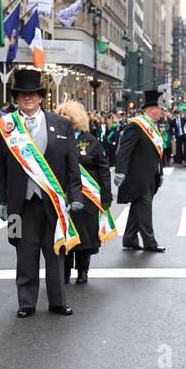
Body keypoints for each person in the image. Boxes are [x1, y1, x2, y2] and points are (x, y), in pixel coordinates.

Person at [0, 68, 83, 317]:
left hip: (53, 202)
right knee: (24, 252)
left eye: (32, 94)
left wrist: (75, 197)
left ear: (41, 97)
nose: (27, 98)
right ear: (16, 99)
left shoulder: (62, 124)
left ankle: (58, 301)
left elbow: (73, 166)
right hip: (20, 205)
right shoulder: (5, 126)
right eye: (22, 95)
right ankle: (26, 303)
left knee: (56, 251)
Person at [58, 100, 112, 284]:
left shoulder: (90, 141)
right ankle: (63, 272)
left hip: (87, 197)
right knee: (65, 235)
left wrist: (106, 194)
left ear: (76, 120)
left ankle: (83, 271)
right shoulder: (57, 139)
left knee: (85, 236)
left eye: (67, 117)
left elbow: (103, 168)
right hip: (65, 195)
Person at [114, 89, 167, 252]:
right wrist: (120, 171)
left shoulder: (153, 126)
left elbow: (157, 153)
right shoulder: (136, 125)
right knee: (144, 207)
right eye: (161, 108)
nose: (162, 111)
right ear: (152, 109)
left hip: (150, 175)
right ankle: (150, 242)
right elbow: (125, 150)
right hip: (137, 176)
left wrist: (161, 172)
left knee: (138, 207)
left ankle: (129, 238)